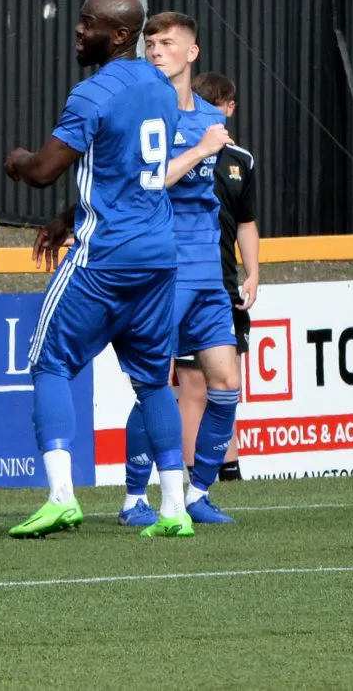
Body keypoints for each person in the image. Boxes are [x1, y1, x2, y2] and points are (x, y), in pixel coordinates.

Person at [5, 0, 193, 539]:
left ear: (118, 36)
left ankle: (62, 497)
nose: (78, 31)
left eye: (87, 24)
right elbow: (128, 172)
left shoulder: (94, 92)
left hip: (105, 257)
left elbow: (44, 170)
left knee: (49, 364)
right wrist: (69, 216)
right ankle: (175, 508)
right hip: (158, 258)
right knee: (154, 383)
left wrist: (17, 162)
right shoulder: (161, 87)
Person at [107, 39, 247, 524]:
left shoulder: (211, 116)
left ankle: (198, 493)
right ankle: (133, 499)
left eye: (167, 43)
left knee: (226, 384)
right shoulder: (146, 114)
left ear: (192, 51)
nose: (156, 51)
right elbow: (145, 182)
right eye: (150, 44)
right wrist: (202, 149)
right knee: (156, 385)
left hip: (208, 272)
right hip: (162, 270)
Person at [194, 71, 260, 484]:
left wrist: (253, 273)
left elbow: (247, 222)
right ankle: (188, 476)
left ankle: (229, 470)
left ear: (230, 109)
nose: (211, 113)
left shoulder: (241, 161)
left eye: (217, 105)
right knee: (191, 385)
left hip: (224, 283)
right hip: (185, 281)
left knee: (226, 383)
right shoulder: (184, 153)